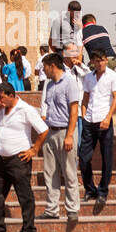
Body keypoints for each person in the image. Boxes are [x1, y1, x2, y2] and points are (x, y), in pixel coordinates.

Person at [0, 82, 48, 232]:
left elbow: (43, 130)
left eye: (2, 97)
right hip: (2, 160)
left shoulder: (25, 109)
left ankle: (29, 228)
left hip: (19, 159)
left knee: (24, 194)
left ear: (11, 95)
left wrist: (34, 149)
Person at [40, 52, 80, 222]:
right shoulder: (49, 85)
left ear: (52, 66)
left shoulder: (70, 83)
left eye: (45, 67)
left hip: (65, 131)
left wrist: (70, 135)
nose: (44, 71)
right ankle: (51, 209)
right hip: (50, 130)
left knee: (69, 171)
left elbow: (74, 110)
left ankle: (72, 209)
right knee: (50, 173)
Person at [79, 47, 116, 204]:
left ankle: (103, 191)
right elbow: (85, 97)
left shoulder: (113, 77)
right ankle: (90, 189)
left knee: (106, 157)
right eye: (97, 60)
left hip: (104, 121)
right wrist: (83, 117)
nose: (101, 63)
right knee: (83, 158)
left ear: (106, 60)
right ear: (93, 62)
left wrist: (108, 118)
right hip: (89, 121)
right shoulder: (88, 78)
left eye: (103, 60)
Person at [49, 0, 85, 80]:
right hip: (63, 52)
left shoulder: (78, 21)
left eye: (78, 13)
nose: (76, 15)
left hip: (76, 52)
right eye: (74, 12)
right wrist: (59, 52)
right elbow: (51, 41)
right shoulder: (58, 21)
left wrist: (79, 27)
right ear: (69, 10)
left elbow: (80, 39)